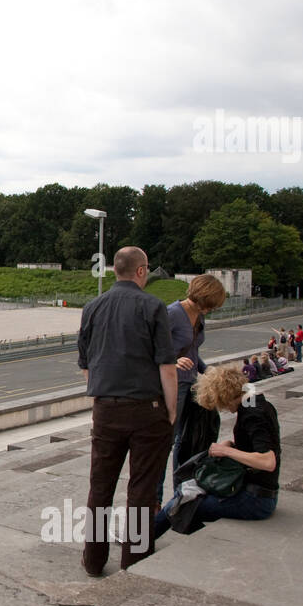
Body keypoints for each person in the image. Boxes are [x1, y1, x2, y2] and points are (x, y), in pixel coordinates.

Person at [76, 246, 177, 575]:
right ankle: (133, 561)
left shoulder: (92, 307)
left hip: (105, 410)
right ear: (141, 271)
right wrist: (171, 411)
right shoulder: (153, 306)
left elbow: (86, 366)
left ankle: (93, 561)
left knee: (100, 487)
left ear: (115, 271)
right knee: (142, 490)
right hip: (147, 411)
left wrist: (101, 400)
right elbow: (167, 367)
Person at [155, 366, 280, 537]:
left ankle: (140, 539)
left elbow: (268, 461)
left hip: (256, 500)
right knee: (186, 493)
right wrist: (232, 445)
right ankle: (146, 535)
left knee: (183, 502)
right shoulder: (256, 403)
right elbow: (260, 444)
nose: (222, 408)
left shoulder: (253, 414)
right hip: (257, 491)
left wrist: (226, 451)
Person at [163, 273, 227, 501]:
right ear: (200, 297)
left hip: (192, 383)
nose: (209, 310)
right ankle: (155, 501)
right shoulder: (171, 314)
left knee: (188, 438)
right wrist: (172, 359)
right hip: (172, 384)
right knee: (166, 441)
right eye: (209, 305)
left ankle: (181, 490)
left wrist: (207, 371)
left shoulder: (199, 316)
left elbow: (192, 351)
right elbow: (150, 347)